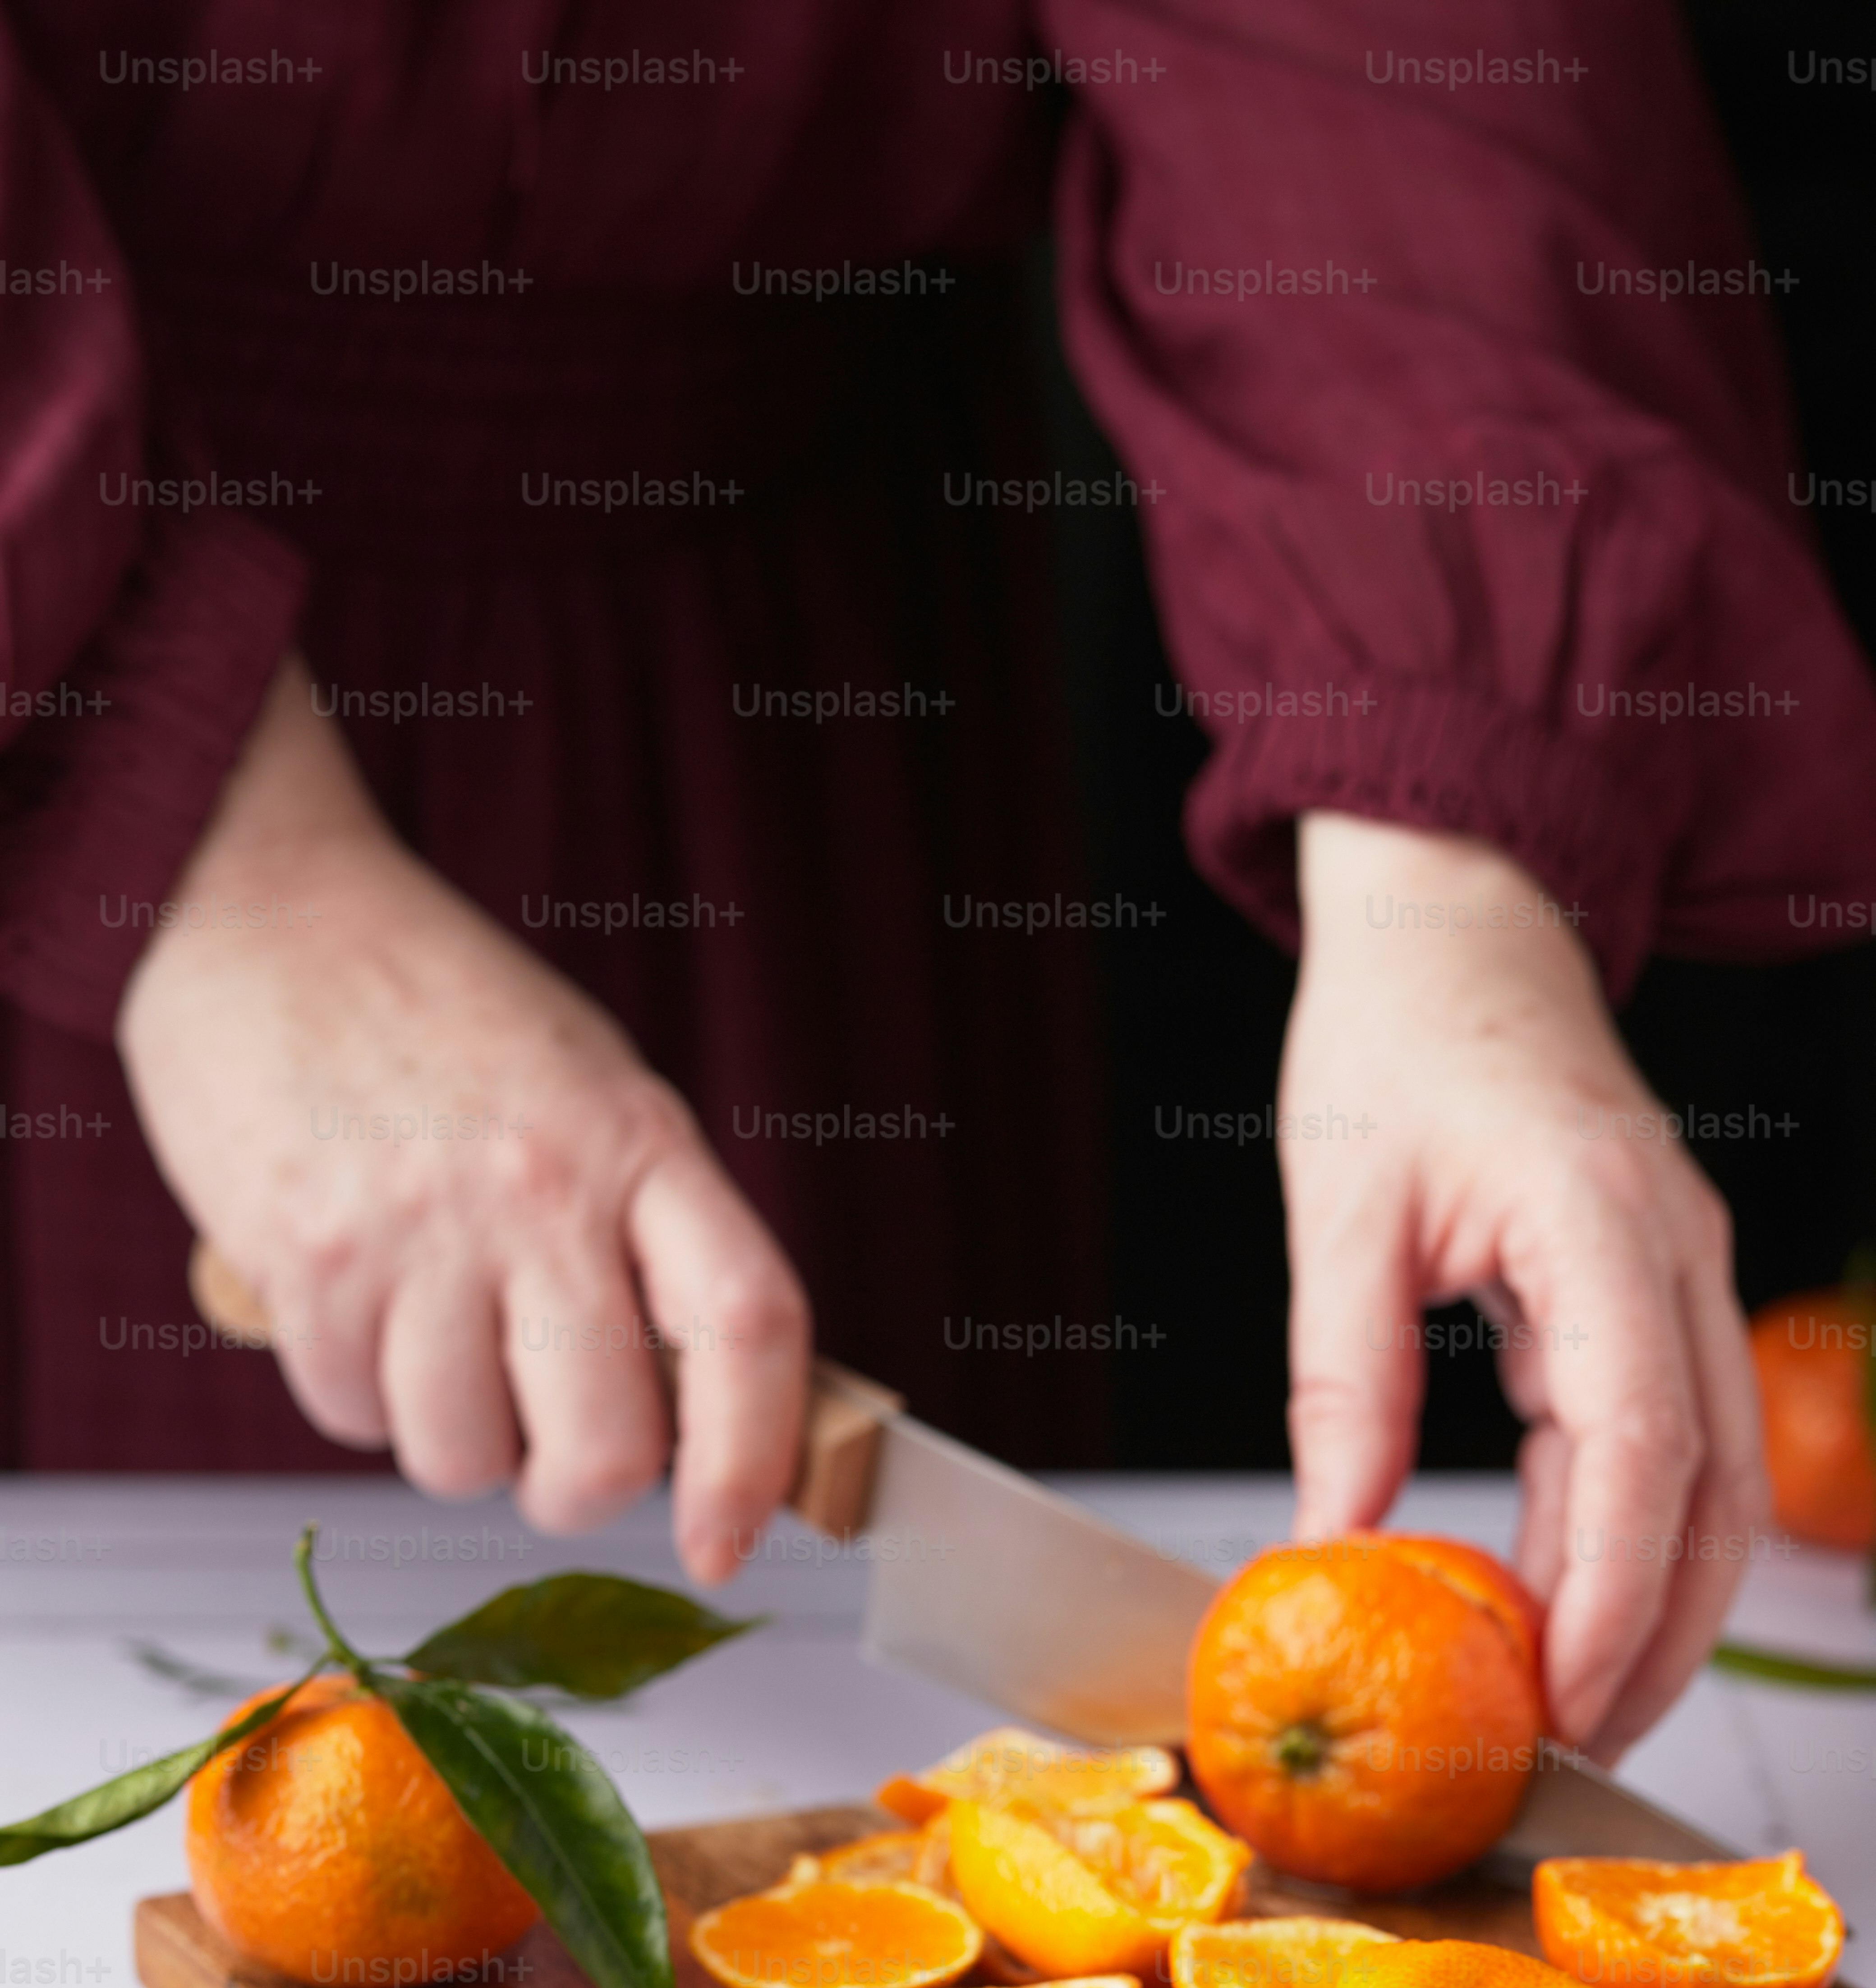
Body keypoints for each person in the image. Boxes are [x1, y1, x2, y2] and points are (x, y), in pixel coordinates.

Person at [3, 5, 1872, 1766]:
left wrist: (1453, 892)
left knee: (912, 1787)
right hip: (84, 755)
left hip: (811, 694)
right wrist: (214, 855)